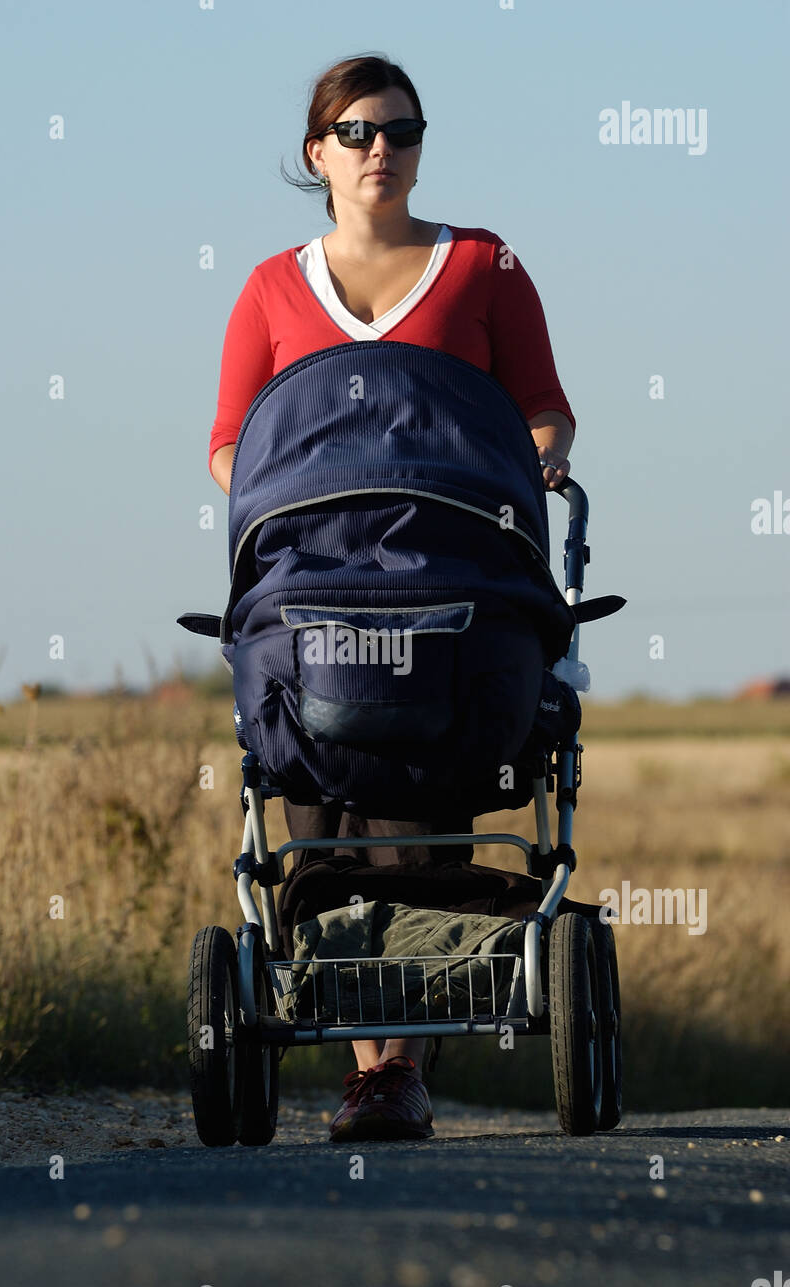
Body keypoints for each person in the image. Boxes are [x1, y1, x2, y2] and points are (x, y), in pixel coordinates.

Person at [208, 54, 576, 1143]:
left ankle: (394, 1068)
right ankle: (368, 1059)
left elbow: (545, 414)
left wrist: (531, 467)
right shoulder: (273, 289)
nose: (382, 151)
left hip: (445, 583)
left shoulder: (482, 267)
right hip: (315, 585)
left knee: (419, 795)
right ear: (317, 152)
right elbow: (232, 444)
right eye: (359, 133)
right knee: (316, 808)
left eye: (402, 132)